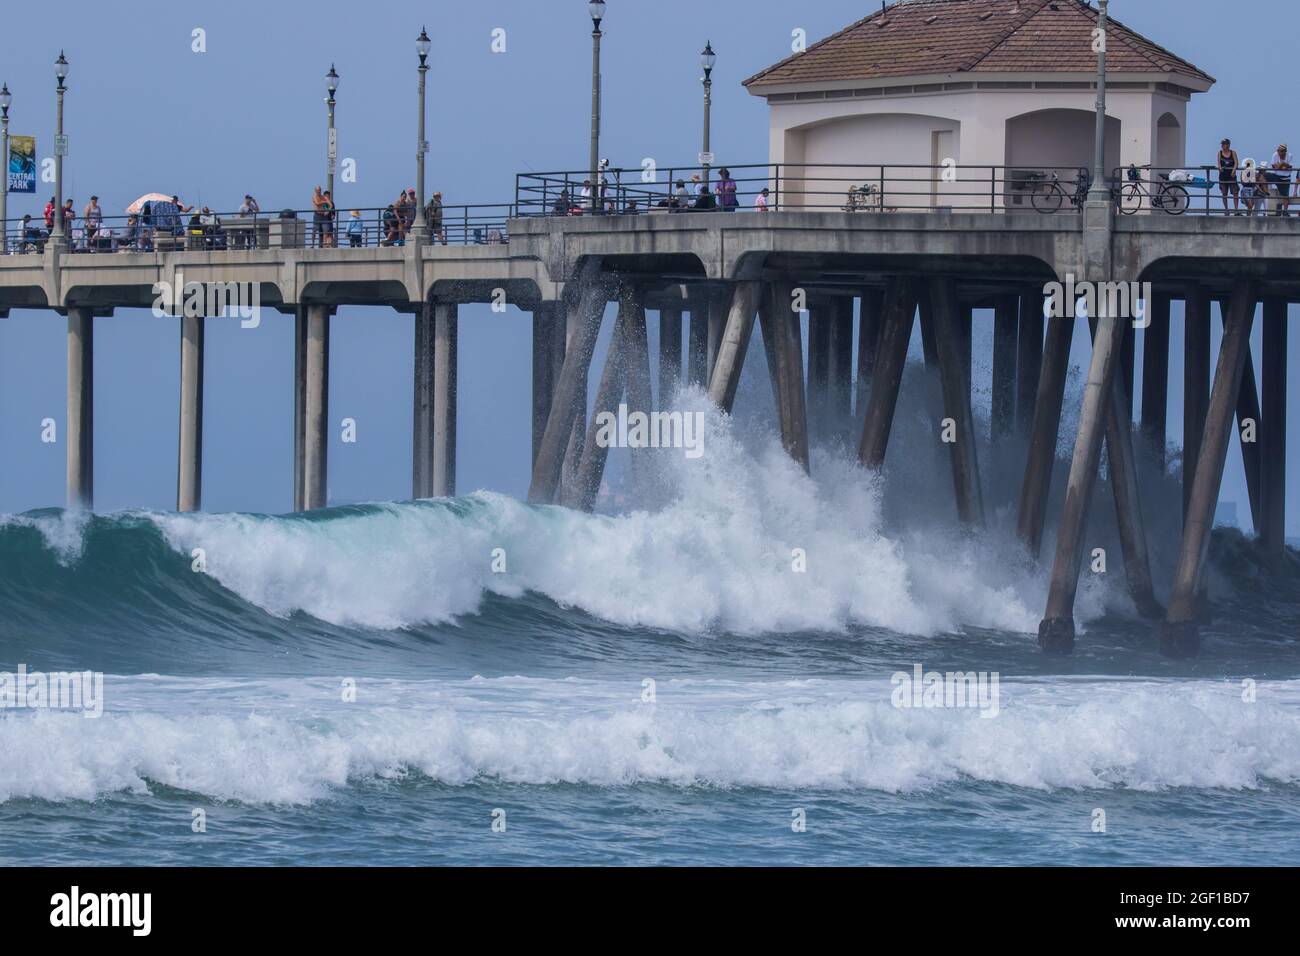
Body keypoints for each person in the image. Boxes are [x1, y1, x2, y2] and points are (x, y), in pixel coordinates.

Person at [1268, 144, 1293, 216]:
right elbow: (1274, 167)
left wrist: (1282, 163)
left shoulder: (1289, 156)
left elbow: (1290, 167)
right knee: (1263, 175)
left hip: (1285, 178)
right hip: (1276, 176)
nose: (1279, 152)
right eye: (1278, 150)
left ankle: (1285, 211)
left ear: (1285, 151)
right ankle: (1264, 191)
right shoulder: (1275, 155)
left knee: (1285, 195)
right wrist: (1283, 166)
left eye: (1281, 151)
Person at [1216, 139, 1240, 215]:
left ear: (1228, 145)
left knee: (1235, 193)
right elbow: (1219, 163)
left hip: (1231, 176)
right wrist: (1220, 168)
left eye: (1224, 144)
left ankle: (1236, 210)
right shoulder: (1219, 153)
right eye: (1222, 144)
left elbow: (1236, 163)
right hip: (1223, 176)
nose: (1223, 146)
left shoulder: (1233, 153)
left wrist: (1233, 170)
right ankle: (1226, 210)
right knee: (1224, 193)